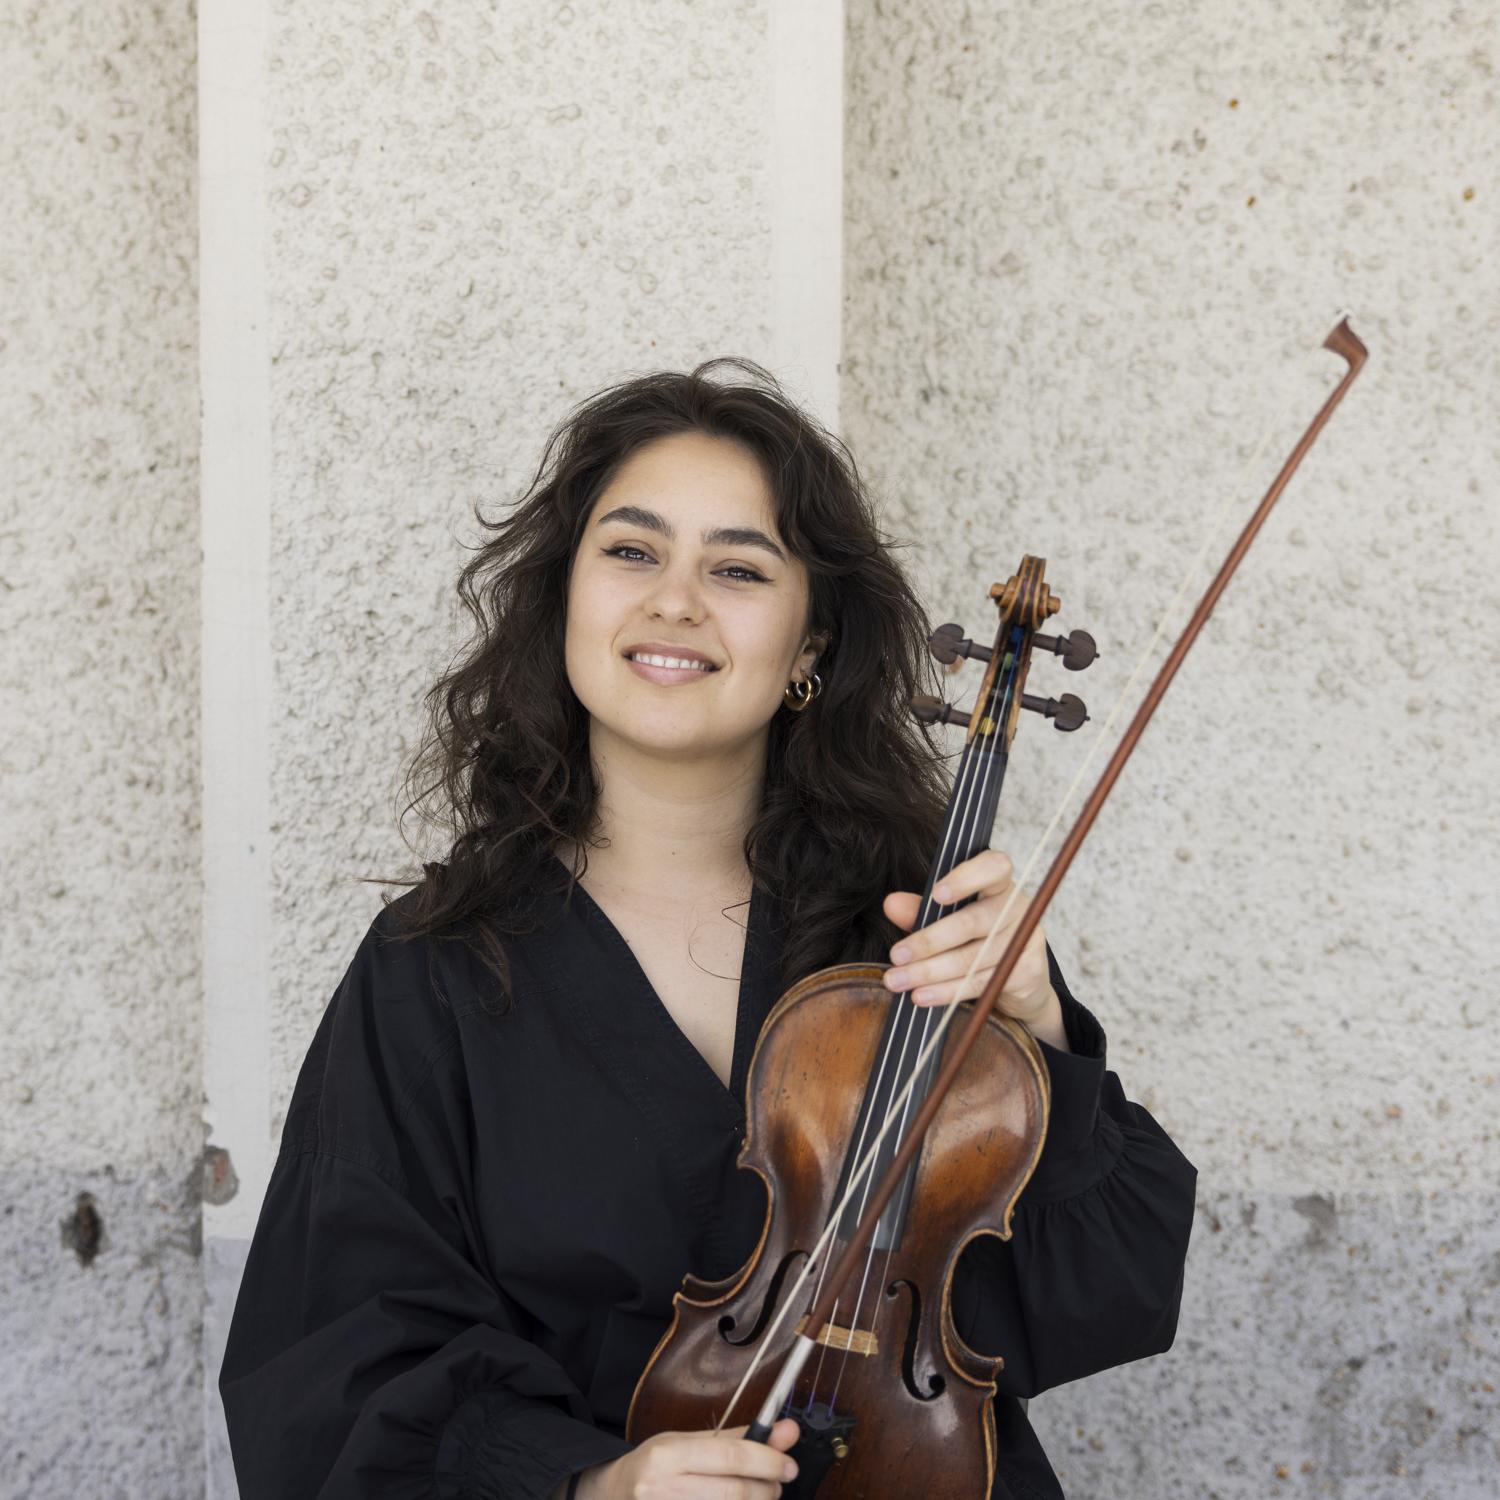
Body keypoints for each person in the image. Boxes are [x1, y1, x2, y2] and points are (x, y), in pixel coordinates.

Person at [219, 359, 1197, 1500]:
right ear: (565, 599)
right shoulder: (433, 966)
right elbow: (336, 1354)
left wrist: (1041, 1025)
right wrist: (590, 1486)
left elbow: (1101, 1296)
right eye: (631, 551)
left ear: (813, 645)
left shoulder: (915, 938)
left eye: (738, 567)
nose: (675, 600)